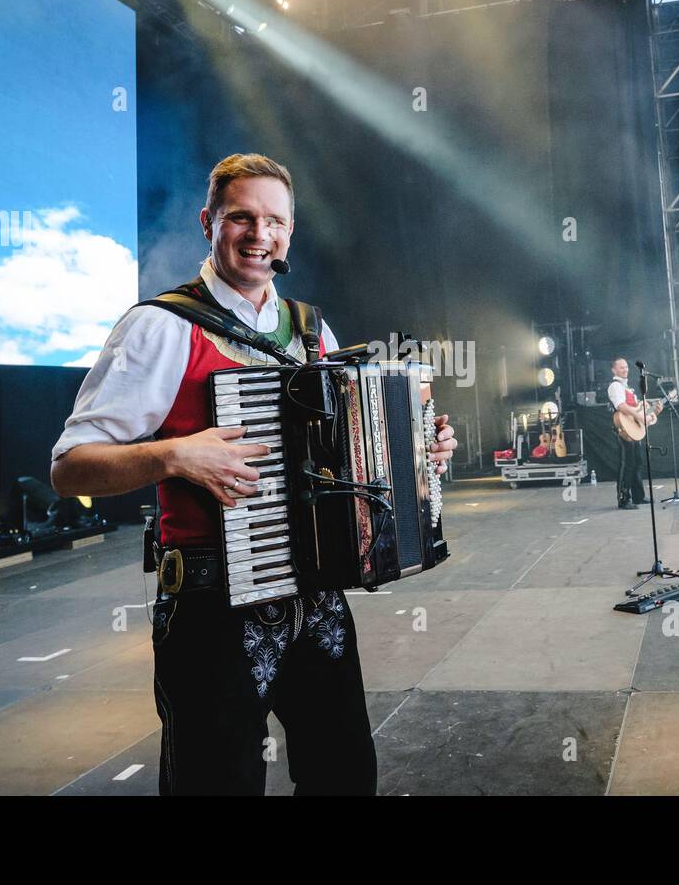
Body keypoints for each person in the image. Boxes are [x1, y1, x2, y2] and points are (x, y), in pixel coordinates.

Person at [50, 153, 457, 795]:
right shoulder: (160, 326)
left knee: (345, 775)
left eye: (274, 221)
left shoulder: (310, 330)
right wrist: (175, 454)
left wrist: (417, 456)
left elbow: (352, 450)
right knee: (217, 784)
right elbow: (70, 467)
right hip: (210, 604)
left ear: (290, 233)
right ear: (209, 222)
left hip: (317, 595)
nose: (258, 235)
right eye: (241, 217)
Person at [607, 357, 649, 508]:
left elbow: (635, 408)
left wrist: (652, 411)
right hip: (623, 430)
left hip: (632, 429)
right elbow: (620, 406)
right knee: (627, 464)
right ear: (614, 370)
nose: (625, 369)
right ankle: (624, 498)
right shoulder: (615, 386)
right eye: (621, 367)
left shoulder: (627, 388)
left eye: (626, 367)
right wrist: (638, 416)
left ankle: (638, 496)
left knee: (637, 462)